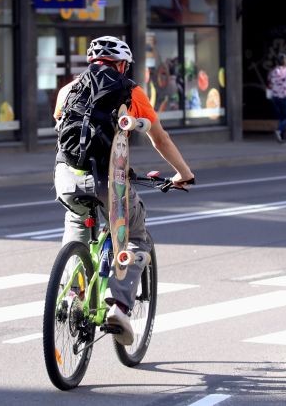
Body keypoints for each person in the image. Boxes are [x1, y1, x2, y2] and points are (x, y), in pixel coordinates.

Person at [53, 36, 195, 345]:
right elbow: (160, 138)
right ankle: (118, 306)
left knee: (77, 221)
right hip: (107, 181)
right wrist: (183, 173)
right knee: (135, 236)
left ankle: (71, 294)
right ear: (122, 64)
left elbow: (64, 132)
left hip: (65, 177)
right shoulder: (131, 90)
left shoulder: (68, 90)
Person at [267, 54, 286, 143]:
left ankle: (281, 138)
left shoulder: (273, 72)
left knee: (281, 117)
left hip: (275, 97)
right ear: (285, 61)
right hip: (285, 96)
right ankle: (279, 131)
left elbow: (269, 80)